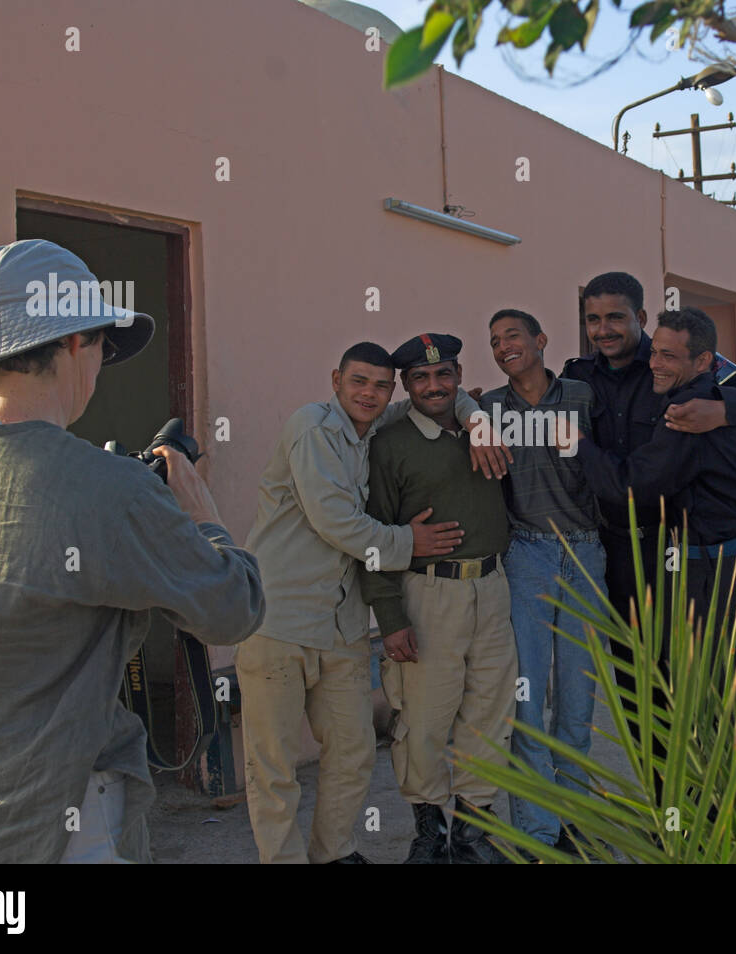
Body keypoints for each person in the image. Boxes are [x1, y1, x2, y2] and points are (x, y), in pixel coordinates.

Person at [0, 239, 266, 863]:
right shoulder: (109, 490)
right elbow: (233, 609)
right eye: (104, 346)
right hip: (54, 819)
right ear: (77, 341)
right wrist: (203, 519)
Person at [237, 342, 485, 864]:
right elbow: (337, 523)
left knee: (351, 754)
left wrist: (476, 417)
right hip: (280, 617)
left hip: (343, 624)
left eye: (380, 385)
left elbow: (440, 399)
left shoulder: (370, 427)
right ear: (336, 380)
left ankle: (335, 854)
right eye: (359, 382)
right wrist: (408, 543)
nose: (370, 394)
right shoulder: (314, 428)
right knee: (274, 765)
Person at [562, 274, 736, 707]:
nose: (603, 329)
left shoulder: (680, 368)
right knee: (640, 689)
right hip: (621, 553)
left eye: (615, 317)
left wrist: (721, 409)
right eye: (592, 319)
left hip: (682, 555)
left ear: (639, 318)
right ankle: (660, 776)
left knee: (711, 685)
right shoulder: (579, 375)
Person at [359, 334, 517, 863]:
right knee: (423, 719)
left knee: (488, 711)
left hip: (493, 588)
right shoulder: (389, 444)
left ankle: (474, 831)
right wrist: (390, 618)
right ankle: (429, 830)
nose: (435, 386)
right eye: (421, 378)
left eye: (444, 374)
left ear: (457, 375)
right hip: (428, 594)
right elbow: (374, 537)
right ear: (406, 385)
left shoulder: (485, 427)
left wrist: (476, 419)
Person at [477, 309, 606, 856]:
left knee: (577, 702)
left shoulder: (582, 397)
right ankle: (537, 833)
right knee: (526, 700)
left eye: (513, 336)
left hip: (585, 553)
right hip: (525, 555)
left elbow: (610, 462)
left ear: (540, 341)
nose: (504, 346)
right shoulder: (488, 408)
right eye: (495, 341)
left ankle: (573, 823)